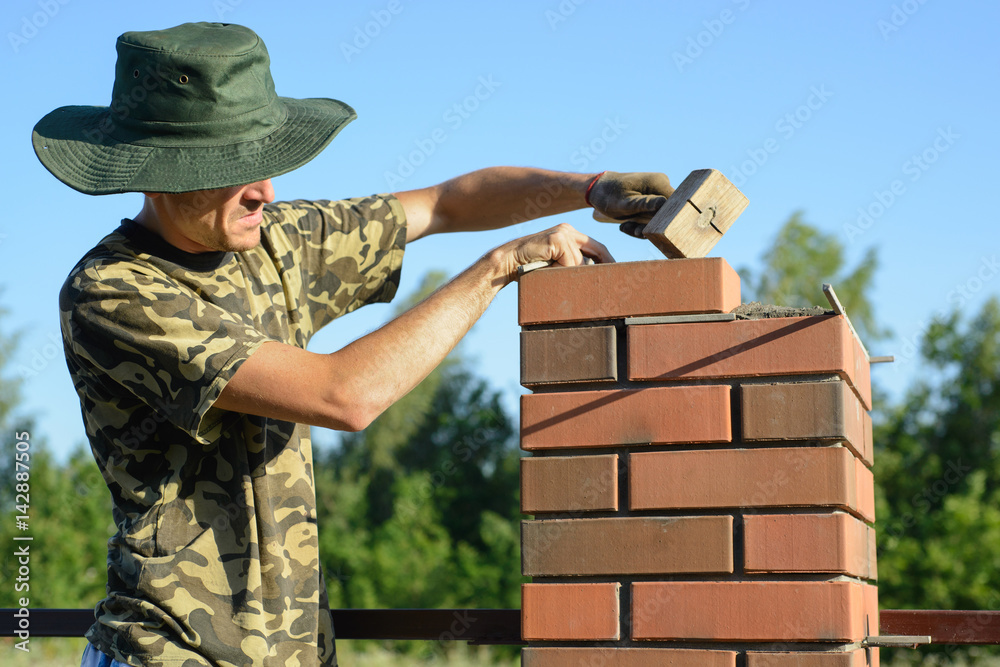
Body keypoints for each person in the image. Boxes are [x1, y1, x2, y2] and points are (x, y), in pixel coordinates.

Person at [32, 22, 674, 667]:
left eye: (266, 164)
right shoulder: (113, 292)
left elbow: (446, 204)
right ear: (161, 173)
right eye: (232, 171)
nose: (265, 192)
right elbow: (345, 396)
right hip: (170, 654)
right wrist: (500, 266)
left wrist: (590, 188)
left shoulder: (274, 236)